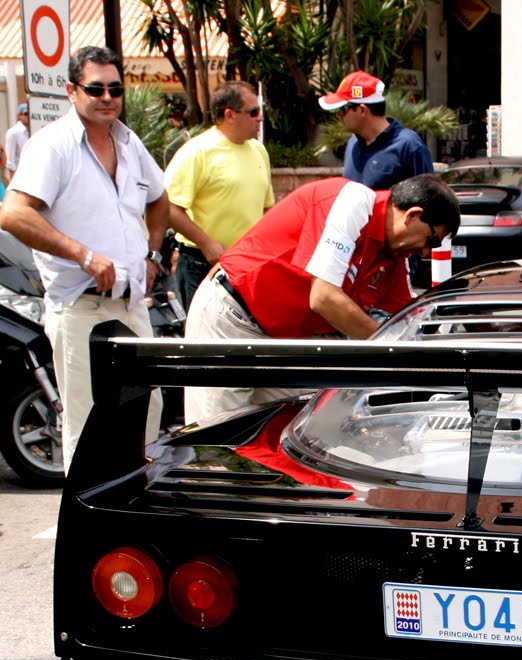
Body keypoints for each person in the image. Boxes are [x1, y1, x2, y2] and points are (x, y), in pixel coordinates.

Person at [0, 46, 168, 471]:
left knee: (147, 411)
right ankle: (89, 531)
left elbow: (160, 198)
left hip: (130, 303)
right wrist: (83, 254)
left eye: (115, 88)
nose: (108, 97)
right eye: (96, 89)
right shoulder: (53, 146)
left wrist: (151, 254)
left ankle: (134, 519)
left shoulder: (128, 143)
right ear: (72, 91)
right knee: (87, 423)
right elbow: (14, 213)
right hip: (79, 304)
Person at [183, 173, 460, 423]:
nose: (426, 252)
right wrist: (389, 347)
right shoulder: (353, 202)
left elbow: (411, 322)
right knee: (220, 442)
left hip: (282, 341)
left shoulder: (394, 258)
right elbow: (324, 298)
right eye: (432, 240)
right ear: (412, 215)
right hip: (232, 320)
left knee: (306, 432)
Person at [164, 81, 274, 313]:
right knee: (206, 346)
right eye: (253, 112)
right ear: (230, 115)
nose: (260, 118)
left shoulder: (258, 151)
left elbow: (267, 210)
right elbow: (169, 207)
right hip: (202, 264)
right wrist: (207, 244)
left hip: (247, 265)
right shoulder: (197, 151)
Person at [319, 71, 434, 189]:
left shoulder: (409, 146)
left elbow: (427, 198)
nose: (338, 115)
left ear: (362, 110)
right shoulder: (353, 143)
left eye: (342, 109)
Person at [4, 103, 29, 185]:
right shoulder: (13, 132)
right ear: (19, 115)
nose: (28, 116)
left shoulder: (33, 130)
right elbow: (10, 161)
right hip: (20, 176)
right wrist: (13, 181)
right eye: (26, 114)